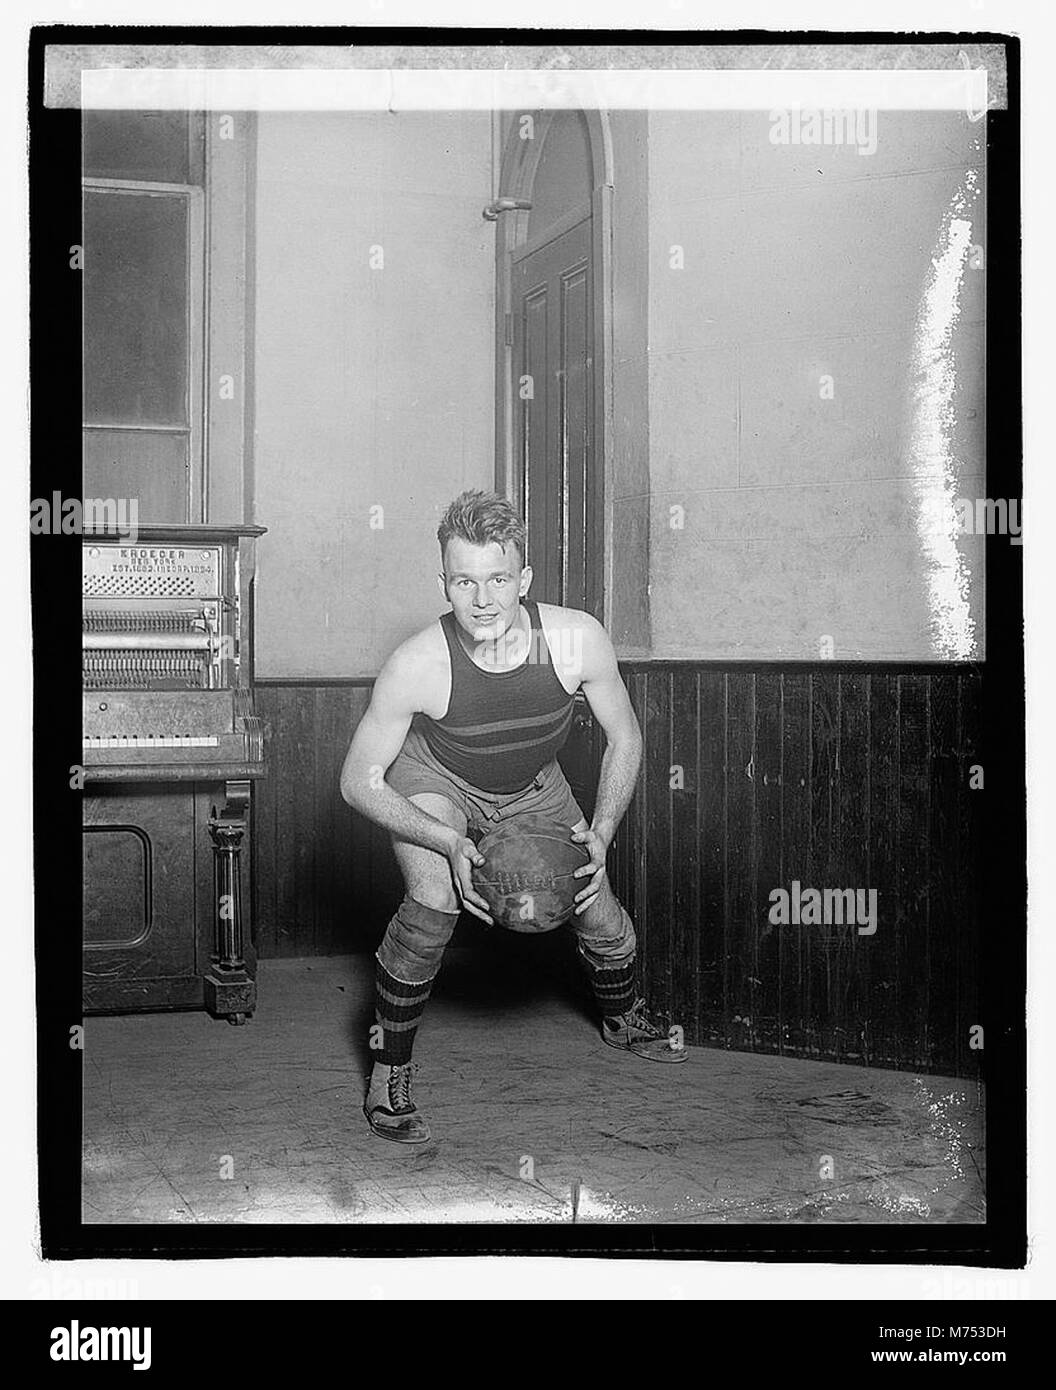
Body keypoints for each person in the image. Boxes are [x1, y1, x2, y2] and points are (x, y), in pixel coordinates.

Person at [340, 489, 686, 1144]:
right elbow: (357, 782)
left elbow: (627, 738)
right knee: (433, 900)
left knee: (602, 913)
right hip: (437, 776)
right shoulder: (418, 662)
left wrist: (604, 829)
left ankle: (622, 1017)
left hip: (532, 783)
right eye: (464, 580)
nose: (483, 599)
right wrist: (447, 839)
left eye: (498, 578)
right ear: (443, 583)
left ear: (523, 580)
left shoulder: (576, 638)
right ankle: (389, 1067)